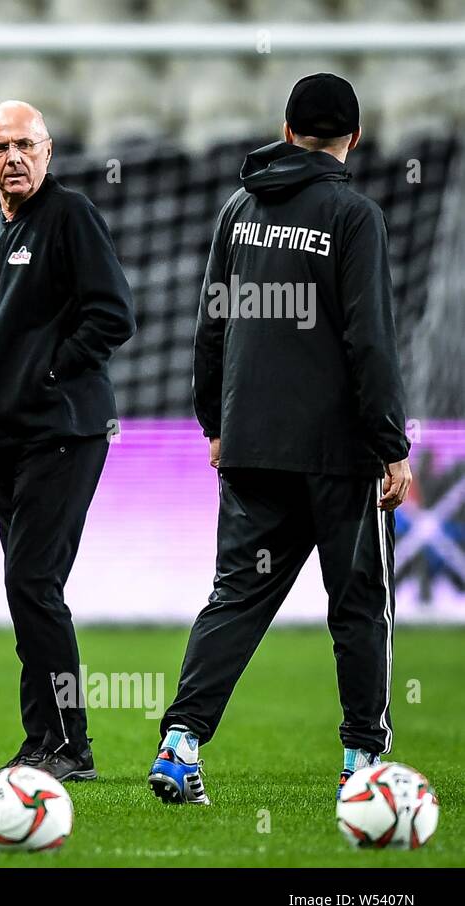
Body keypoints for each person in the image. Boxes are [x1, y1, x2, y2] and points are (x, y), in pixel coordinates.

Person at [148, 74, 412, 805]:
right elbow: (371, 341)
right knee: (358, 606)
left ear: (287, 129)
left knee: (235, 598)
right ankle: (362, 765)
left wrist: (215, 423)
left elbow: (212, 326)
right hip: (337, 451)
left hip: (254, 442)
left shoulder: (240, 208)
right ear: (352, 140)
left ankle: (180, 744)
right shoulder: (354, 216)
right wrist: (391, 442)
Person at [0, 101, 135, 784]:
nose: (13, 157)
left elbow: (114, 315)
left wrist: (52, 372)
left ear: (49, 151)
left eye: (25, 145)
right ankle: (44, 742)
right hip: (15, 440)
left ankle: (69, 745)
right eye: (0, 148)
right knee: (27, 588)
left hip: (65, 430)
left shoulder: (71, 217)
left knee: (33, 581)